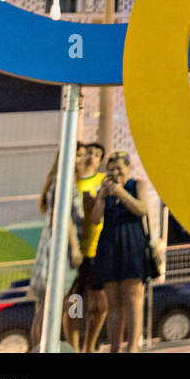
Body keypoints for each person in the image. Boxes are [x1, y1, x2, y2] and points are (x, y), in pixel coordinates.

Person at [87, 151, 151, 352]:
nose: (115, 172)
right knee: (112, 300)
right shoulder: (104, 191)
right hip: (109, 244)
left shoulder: (136, 185)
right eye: (111, 169)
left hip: (132, 241)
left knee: (133, 296)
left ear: (129, 168)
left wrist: (121, 193)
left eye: (119, 168)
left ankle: (132, 345)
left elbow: (142, 209)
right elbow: (95, 219)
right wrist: (101, 197)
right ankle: (114, 347)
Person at [29, 151, 84, 348]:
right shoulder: (64, 182)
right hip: (62, 250)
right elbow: (65, 215)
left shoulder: (58, 181)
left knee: (49, 306)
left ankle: (40, 346)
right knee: (51, 306)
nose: (81, 159)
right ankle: (42, 347)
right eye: (78, 155)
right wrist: (75, 248)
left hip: (54, 247)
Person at [74, 142, 107, 351]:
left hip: (98, 250)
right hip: (76, 252)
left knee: (99, 305)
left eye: (96, 154)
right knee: (75, 305)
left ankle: (89, 345)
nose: (91, 157)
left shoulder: (102, 181)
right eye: (88, 153)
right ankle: (74, 344)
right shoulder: (73, 182)